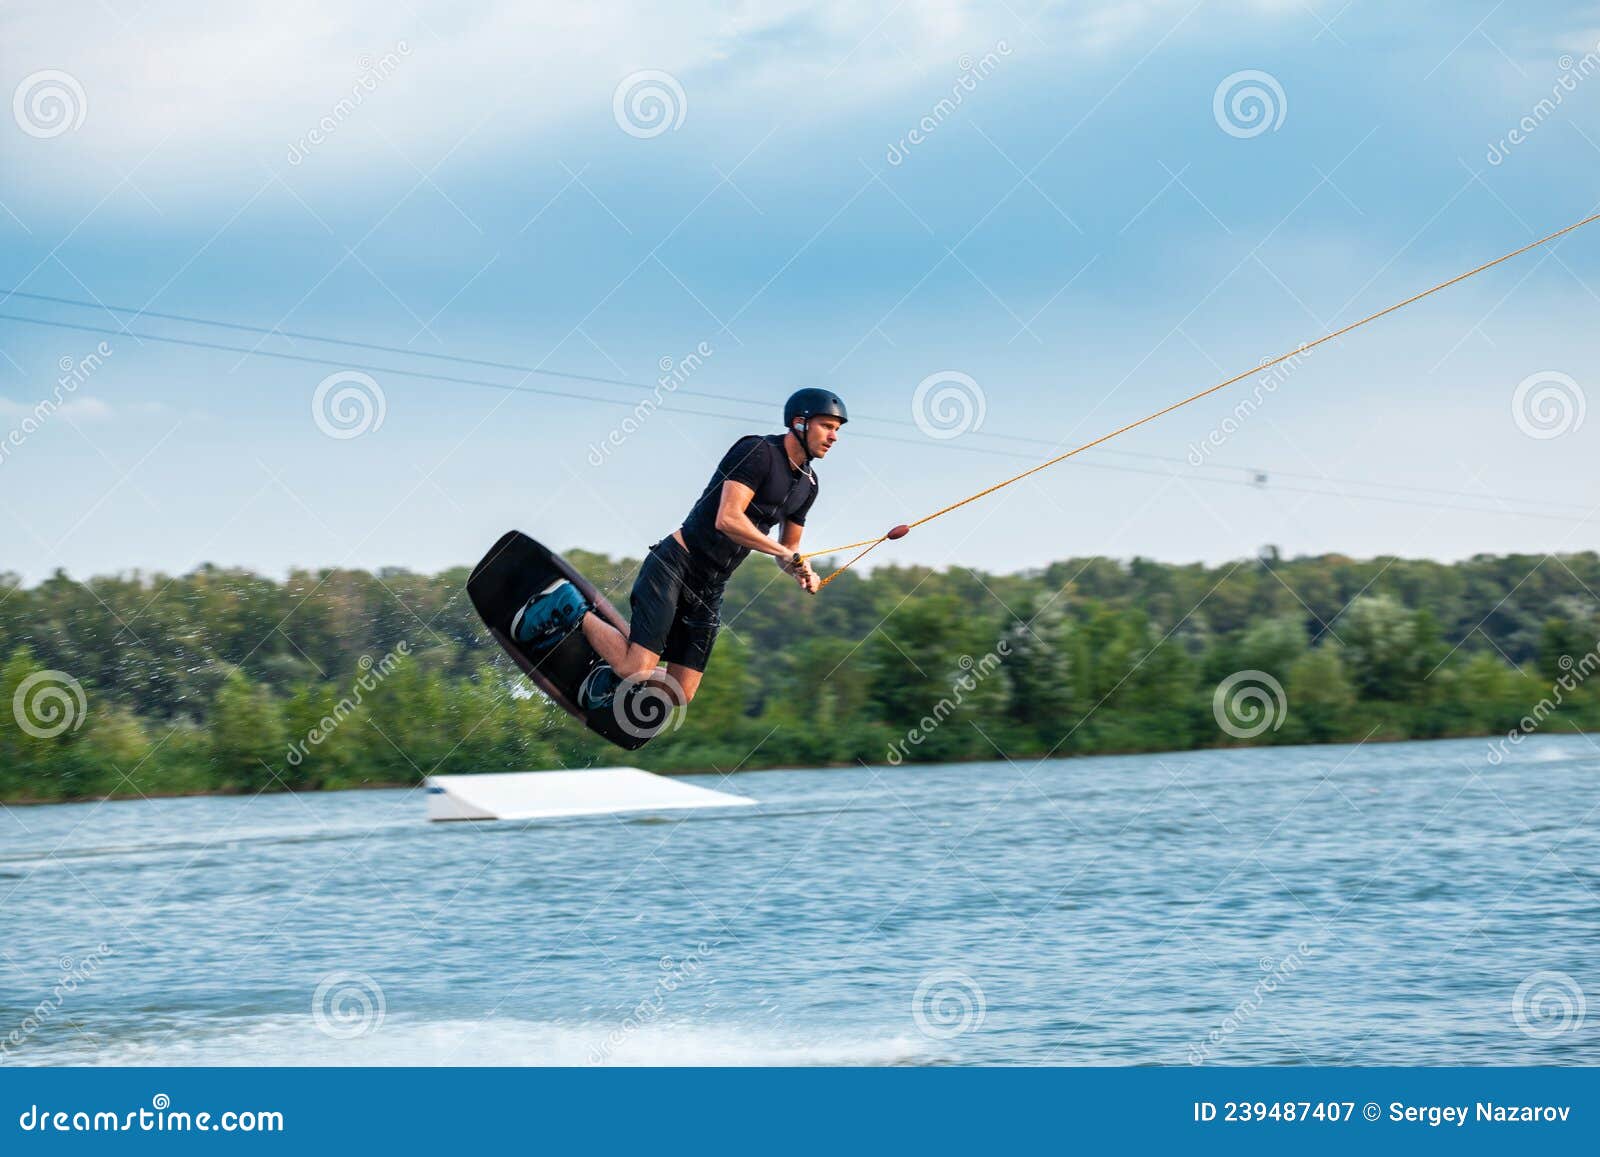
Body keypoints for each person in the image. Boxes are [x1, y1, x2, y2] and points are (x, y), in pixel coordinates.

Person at [510, 388, 846, 711]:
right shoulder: (757, 452)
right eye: (827, 426)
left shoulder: (809, 486)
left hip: (710, 587)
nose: (834, 437)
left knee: (680, 691)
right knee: (637, 668)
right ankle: (570, 607)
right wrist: (783, 552)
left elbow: (787, 550)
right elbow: (728, 519)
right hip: (676, 565)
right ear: (800, 423)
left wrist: (801, 571)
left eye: (837, 430)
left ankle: (609, 673)